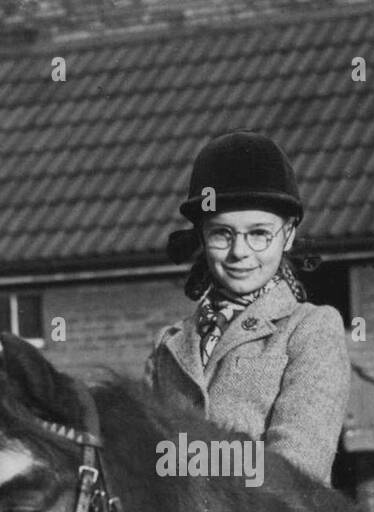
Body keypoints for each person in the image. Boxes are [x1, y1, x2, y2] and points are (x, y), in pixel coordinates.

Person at [146, 130, 350, 484]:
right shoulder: (168, 346)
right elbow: (147, 463)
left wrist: (181, 461)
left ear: (287, 235)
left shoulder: (310, 329)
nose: (239, 251)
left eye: (259, 234)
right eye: (222, 234)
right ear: (202, 237)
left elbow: (297, 470)